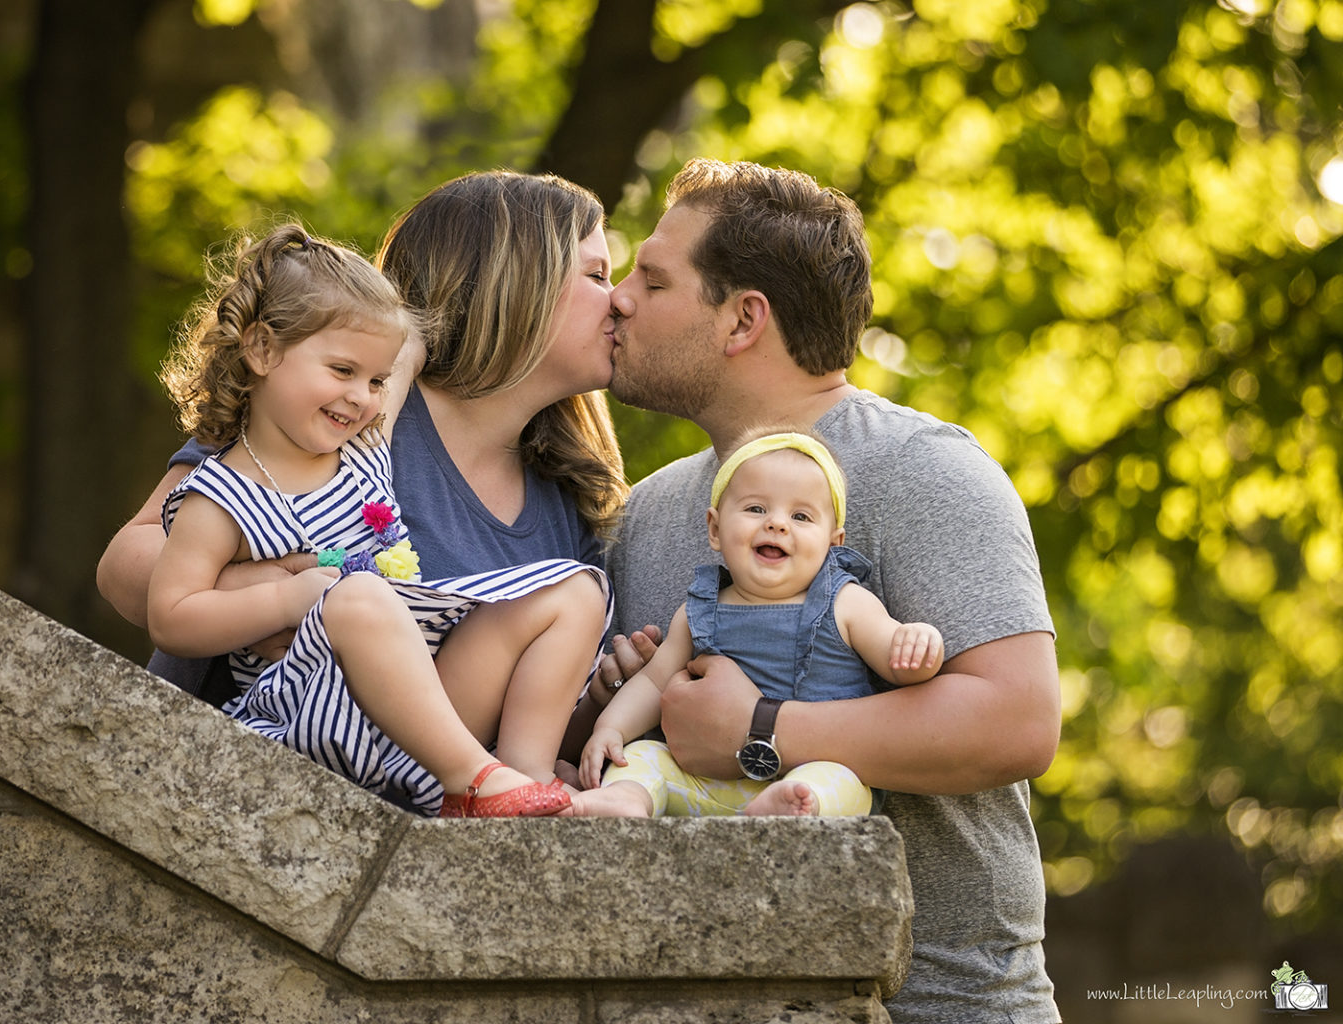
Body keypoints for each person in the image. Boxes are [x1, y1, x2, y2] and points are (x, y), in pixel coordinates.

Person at [595, 159, 1061, 1022]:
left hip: (939, 1006)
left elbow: (1018, 720)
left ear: (743, 319)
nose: (616, 299)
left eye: (652, 281)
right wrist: (615, 699)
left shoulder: (925, 471)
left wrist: (758, 732)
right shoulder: (649, 512)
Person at [97, 171, 627, 716]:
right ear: (517, 285)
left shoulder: (567, 504)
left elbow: (529, 722)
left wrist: (607, 695)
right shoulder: (343, 408)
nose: (621, 300)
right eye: (597, 275)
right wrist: (274, 594)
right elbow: (124, 567)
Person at [147, 222, 608, 817]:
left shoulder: (362, 448)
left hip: (422, 707)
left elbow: (406, 344)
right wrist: (286, 599)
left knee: (574, 591)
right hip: (314, 711)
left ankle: (521, 780)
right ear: (262, 350)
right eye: (342, 371)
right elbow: (171, 616)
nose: (362, 397)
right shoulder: (220, 496)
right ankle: (472, 778)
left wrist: (389, 348)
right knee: (359, 594)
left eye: (375, 382)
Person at [577, 428, 944, 818]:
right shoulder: (699, 610)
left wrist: (919, 640)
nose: (777, 524)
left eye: (801, 516)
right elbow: (654, 682)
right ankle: (628, 798)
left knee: (842, 781)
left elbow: (898, 660)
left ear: (833, 543)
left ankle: (786, 807)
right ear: (715, 529)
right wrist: (611, 729)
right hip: (707, 784)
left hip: (806, 772)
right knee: (642, 754)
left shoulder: (847, 603)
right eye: (756, 509)